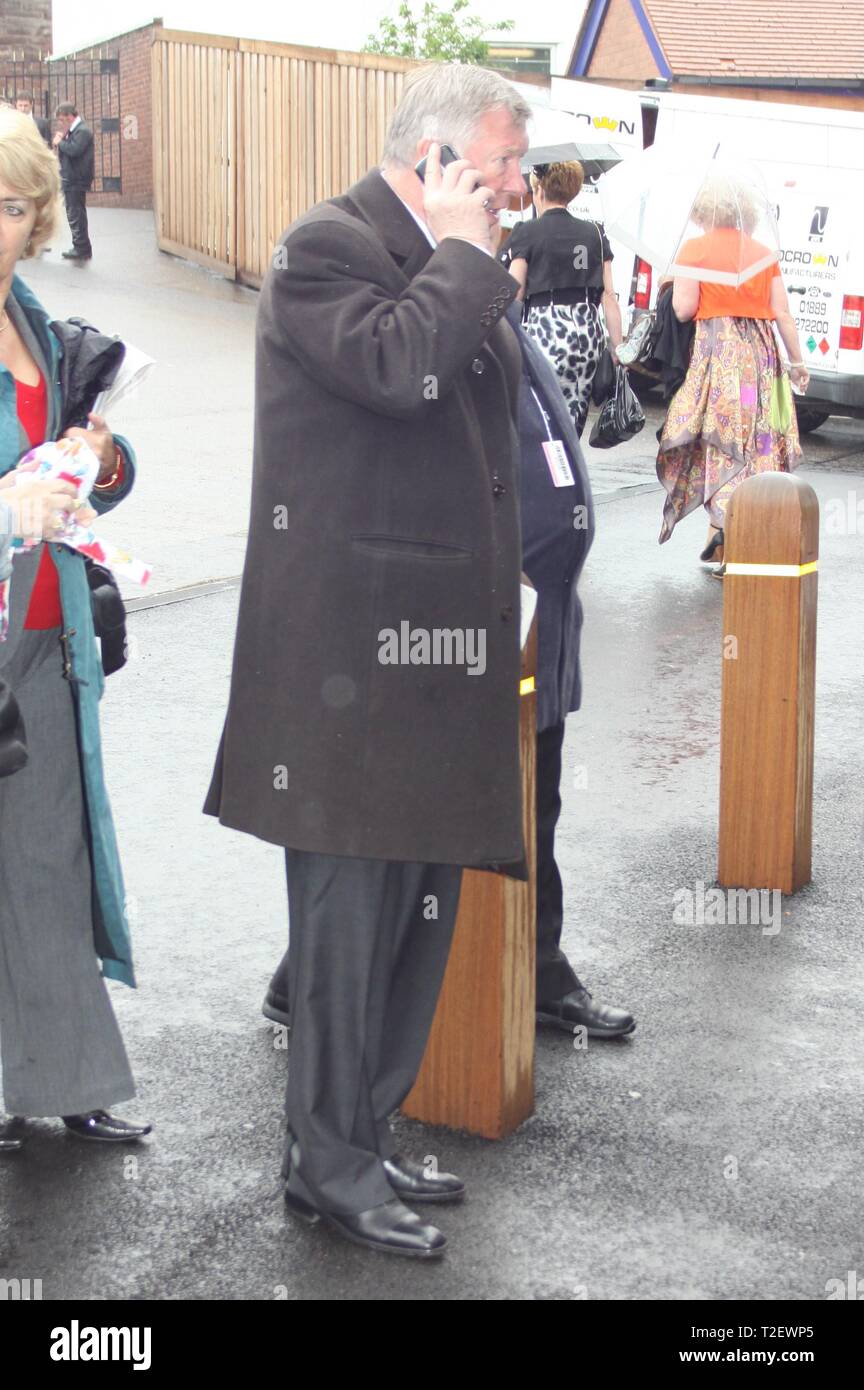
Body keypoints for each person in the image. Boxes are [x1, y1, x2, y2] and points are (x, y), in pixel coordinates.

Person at [205, 62, 531, 1259]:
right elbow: (404, 371)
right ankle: (327, 1165)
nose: (516, 187)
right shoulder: (326, 249)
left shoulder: (455, 262)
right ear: (438, 160)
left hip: (435, 661)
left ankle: (362, 1129)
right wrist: (463, 254)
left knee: (415, 921)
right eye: (501, 164)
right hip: (347, 672)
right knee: (344, 937)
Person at [264, 304, 635, 1042]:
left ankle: (539, 969)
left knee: (537, 810)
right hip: (476, 624)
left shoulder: (500, 315)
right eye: (489, 183)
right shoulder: (431, 319)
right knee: (420, 828)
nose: (506, 192)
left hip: (541, 621)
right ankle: (307, 980)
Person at [0, 112, 149, 1154]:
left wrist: (100, 458)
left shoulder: (36, 320)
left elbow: (82, 462)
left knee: (48, 860)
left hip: (49, 637)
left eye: (10, 206)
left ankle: (64, 1078)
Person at [656, 180, 809, 564]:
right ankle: (733, 538)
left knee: (723, 437)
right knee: (759, 438)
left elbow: (683, 310)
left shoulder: (694, 250)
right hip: (762, 360)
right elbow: (783, 314)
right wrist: (798, 363)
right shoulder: (762, 254)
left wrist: (673, 281)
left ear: (705, 212)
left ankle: (726, 524)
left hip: (721, 357)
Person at [501, 161, 622, 437]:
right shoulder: (595, 233)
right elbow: (609, 296)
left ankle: (545, 471)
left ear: (539, 188)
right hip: (585, 338)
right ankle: (566, 468)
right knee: (571, 418)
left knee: (539, 417)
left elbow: (515, 292)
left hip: (545, 333)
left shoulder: (525, 232)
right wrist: (617, 348)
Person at [53, 101, 94, 261]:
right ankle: (80, 246)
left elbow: (74, 150)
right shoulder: (75, 130)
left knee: (76, 213)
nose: (61, 123)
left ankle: (82, 248)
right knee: (75, 213)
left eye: (62, 120)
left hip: (76, 179)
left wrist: (60, 142)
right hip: (72, 178)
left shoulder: (82, 130)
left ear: (70, 116)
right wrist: (63, 139)